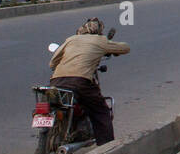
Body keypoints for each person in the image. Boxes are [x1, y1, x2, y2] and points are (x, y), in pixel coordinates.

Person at [48, 16, 130, 145]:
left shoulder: (70, 40)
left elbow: (52, 63)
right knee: (101, 111)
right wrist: (111, 49)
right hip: (80, 81)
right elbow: (125, 48)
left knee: (59, 102)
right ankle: (106, 148)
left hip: (56, 80)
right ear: (99, 30)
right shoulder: (101, 40)